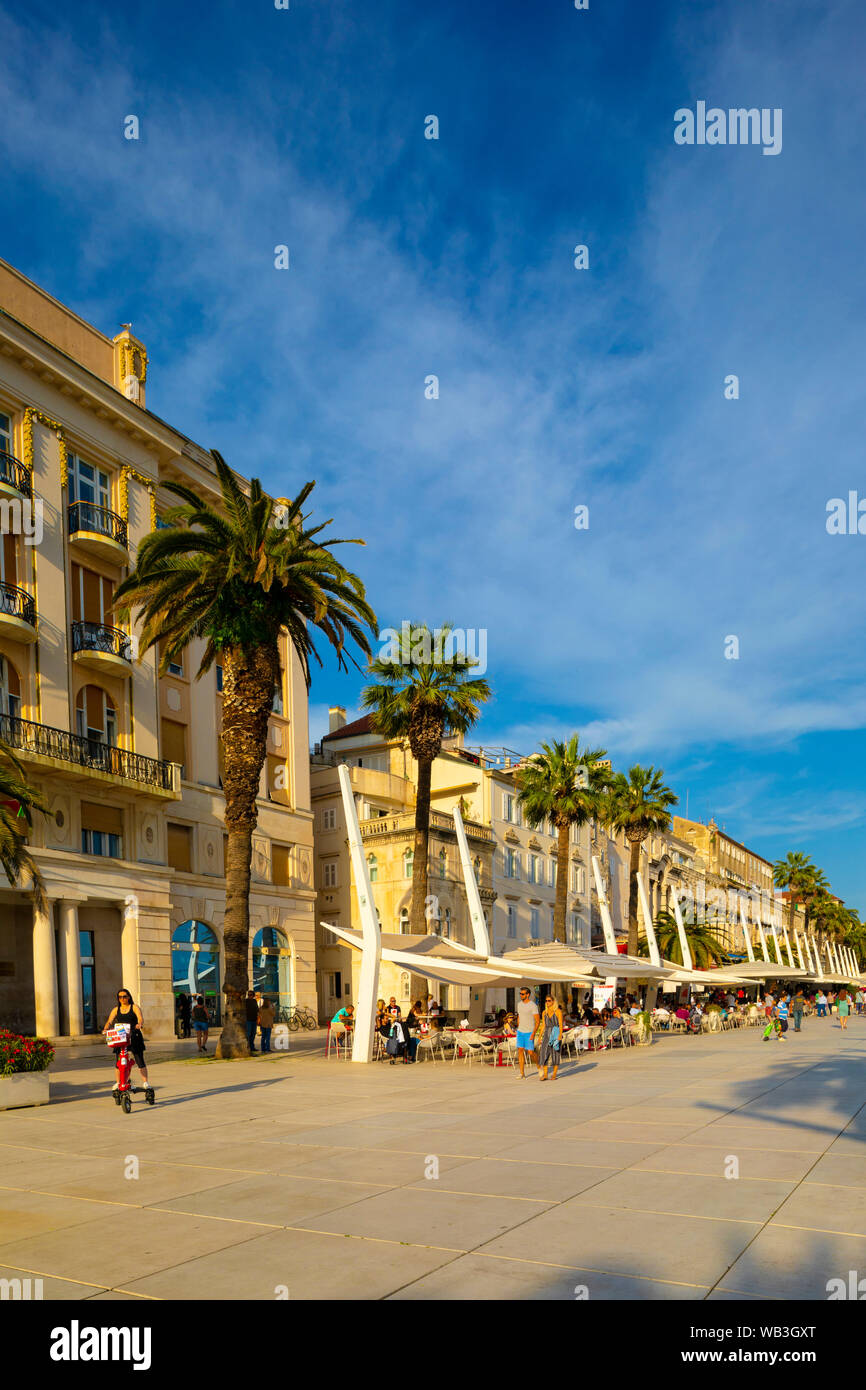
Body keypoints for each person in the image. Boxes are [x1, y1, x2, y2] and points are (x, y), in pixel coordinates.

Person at [103, 988, 151, 1091]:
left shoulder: (134, 1007)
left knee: (139, 1059)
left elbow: (140, 1018)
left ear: (128, 997)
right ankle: (118, 1082)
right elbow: (109, 1021)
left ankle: (145, 1082)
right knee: (118, 1061)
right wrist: (106, 1028)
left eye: (124, 996)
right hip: (120, 1037)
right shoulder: (116, 1009)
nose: (122, 999)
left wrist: (139, 1024)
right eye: (120, 997)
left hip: (134, 1035)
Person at [515, 986, 540, 1078]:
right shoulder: (519, 1004)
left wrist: (533, 1033)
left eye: (522, 994)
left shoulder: (533, 1005)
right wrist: (518, 1026)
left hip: (529, 1031)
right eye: (520, 994)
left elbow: (537, 1021)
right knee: (520, 1051)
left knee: (530, 1052)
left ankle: (539, 1065)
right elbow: (519, 1016)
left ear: (528, 995)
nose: (521, 995)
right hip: (520, 1031)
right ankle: (522, 1073)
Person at [537, 994, 564, 1080]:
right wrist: (539, 1037)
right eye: (546, 1001)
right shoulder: (544, 1012)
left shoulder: (558, 1011)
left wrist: (560, 1035)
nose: (547, 1002)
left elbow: (560, 1025)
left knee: (555, 1054)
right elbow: (543, 1025)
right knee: (544, 1053)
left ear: (553, 1001)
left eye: (549, 1000)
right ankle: (545, 1075)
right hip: (547, 1035)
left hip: (556, 1034)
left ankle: (554, 1074)